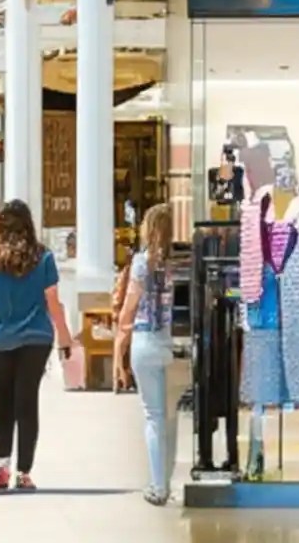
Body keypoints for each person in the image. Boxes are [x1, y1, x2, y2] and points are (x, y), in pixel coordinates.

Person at [0, 200, 74, 491]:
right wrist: (65, 336)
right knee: (27, 402)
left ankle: (2, 468)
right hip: (35, 339)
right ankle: (24, 473)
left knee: (3, 404)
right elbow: (53, 302)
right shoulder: (43, 259)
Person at [114, 204, 184, 506]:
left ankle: (158, 486)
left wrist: (119, 348)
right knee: (169, 418)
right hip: (167, 343)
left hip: (143, 341)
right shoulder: (176, 264)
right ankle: (165, 480)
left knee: (153, 416)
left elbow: (129, 309)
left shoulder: (142, 264)